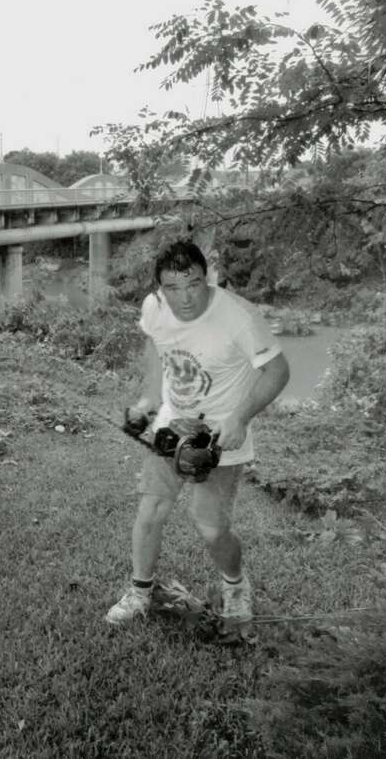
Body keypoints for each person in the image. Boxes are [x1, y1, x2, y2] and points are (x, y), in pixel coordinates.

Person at [105, 240, 290, 626]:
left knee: (210, 525)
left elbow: (278, 371)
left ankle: (236, 587)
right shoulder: (154, 308)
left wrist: (240, 418)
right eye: (173, 287)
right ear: (159, 287)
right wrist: (149, 399)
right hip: (172, 425)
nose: (185, 297)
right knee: (150, 510)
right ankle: (140, 594)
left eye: (193, 283)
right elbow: (155, 347)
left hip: (221, 435)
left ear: (206, 276)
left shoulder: (239, 316)